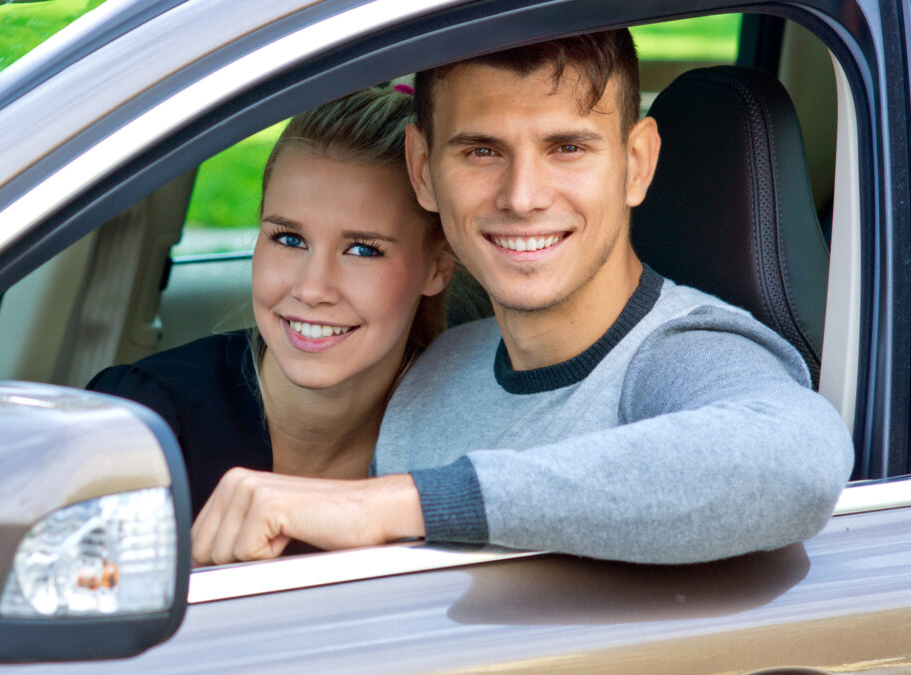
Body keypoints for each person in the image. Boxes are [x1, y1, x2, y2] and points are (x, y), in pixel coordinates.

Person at [188, 30, 853, 566]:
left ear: (637, 163)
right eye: (482, 151)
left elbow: (797, 461)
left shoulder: (679, 352)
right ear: (423, 170)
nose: (522, 195)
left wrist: (394, 504)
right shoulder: (441, 368)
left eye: (567, 147)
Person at [87, 87, 453, 524]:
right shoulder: (144, 420)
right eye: (289, 239)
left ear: (437, 266)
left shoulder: (463, 430)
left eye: (362, 250)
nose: (313, 288)